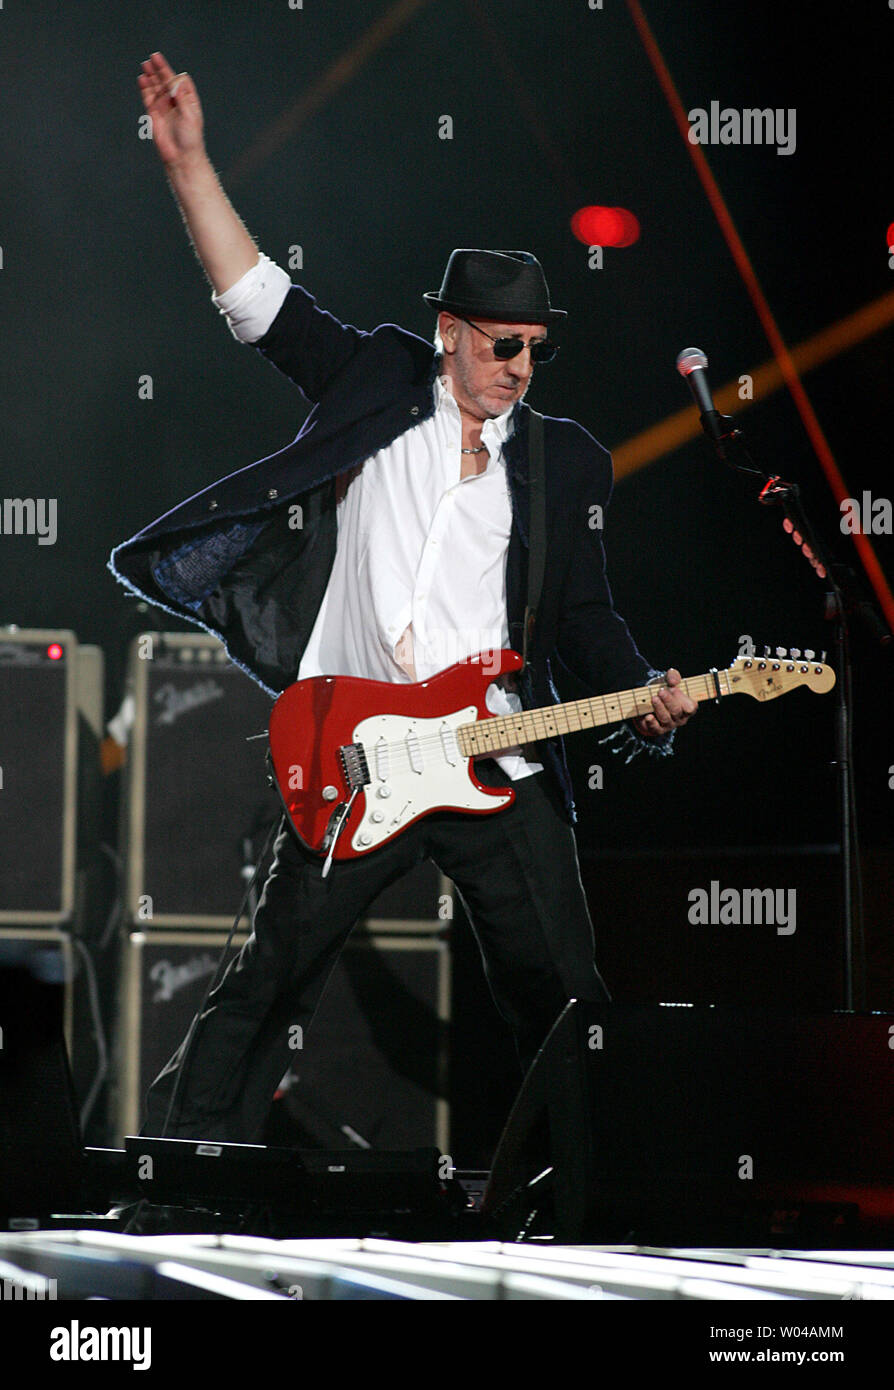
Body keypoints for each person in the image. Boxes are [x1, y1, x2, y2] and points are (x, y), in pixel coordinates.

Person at [110, 52, 697, 1143]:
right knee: (268, 978)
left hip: (492, 755)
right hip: (360, 746)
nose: (523, 366)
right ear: (451, 334)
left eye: (537, 350)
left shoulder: (565, 465)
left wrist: (644, 697)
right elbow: (255, 301)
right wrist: (189, 164)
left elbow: (583, 620)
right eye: (504, 345)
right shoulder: (377, 378)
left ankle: (585, 1189)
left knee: (567, 998)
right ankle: (182, 1177)